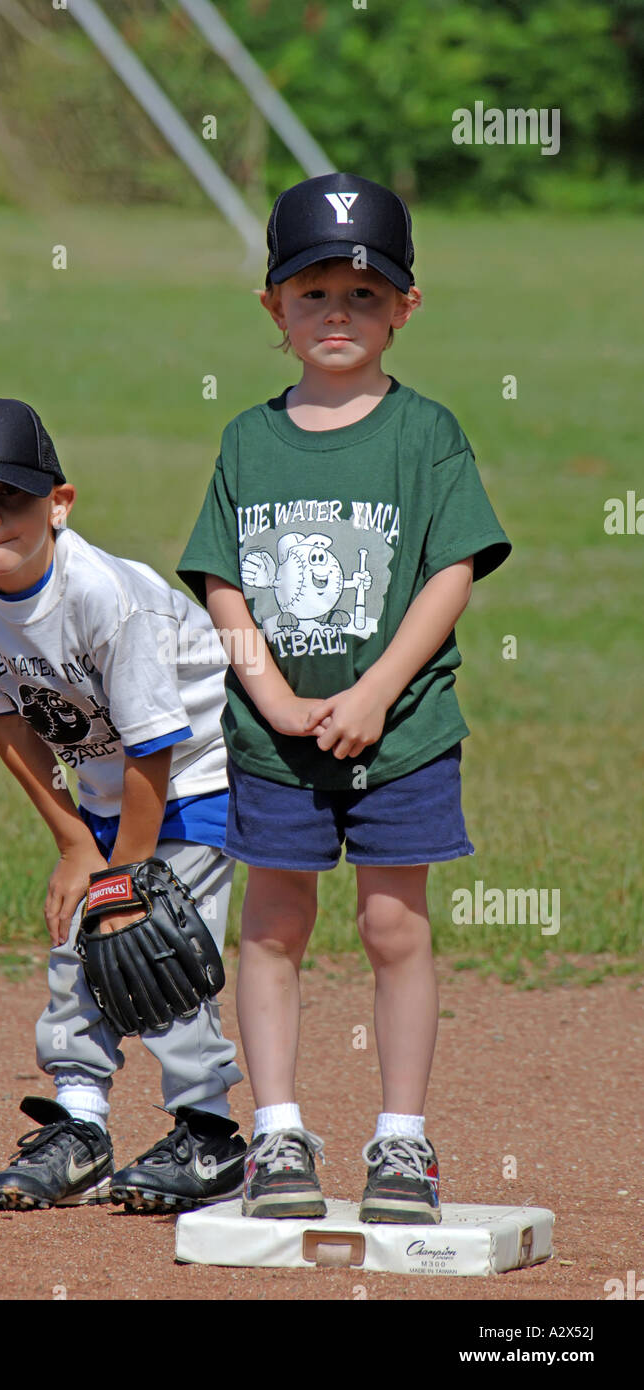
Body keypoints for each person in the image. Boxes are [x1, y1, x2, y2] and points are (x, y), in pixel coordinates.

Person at [177, 173, 511, 1223]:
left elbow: (449, 570)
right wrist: (269, 694)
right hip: (275, 741)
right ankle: (275, 1130)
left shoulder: (425, 433)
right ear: (272, 308)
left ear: (403, 308)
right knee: (271, 925)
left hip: (400, 732)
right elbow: (220, 577)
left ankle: (400, 1142)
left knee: (390, 925)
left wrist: (373, 689)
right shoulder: (246, 440)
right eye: (310, 292)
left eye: (362, 295)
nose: (336, 313)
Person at [0, 395, 245, 1213]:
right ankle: (82, 1127)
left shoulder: (105, 597)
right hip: (109, 789)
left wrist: (121, 880)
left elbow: (155, 743)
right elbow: (5, 718)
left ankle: (209, 1135)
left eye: (11, 498)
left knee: (154, 949)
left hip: (195, 776)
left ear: (59, 502)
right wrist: (75, 846)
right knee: (78, 953)